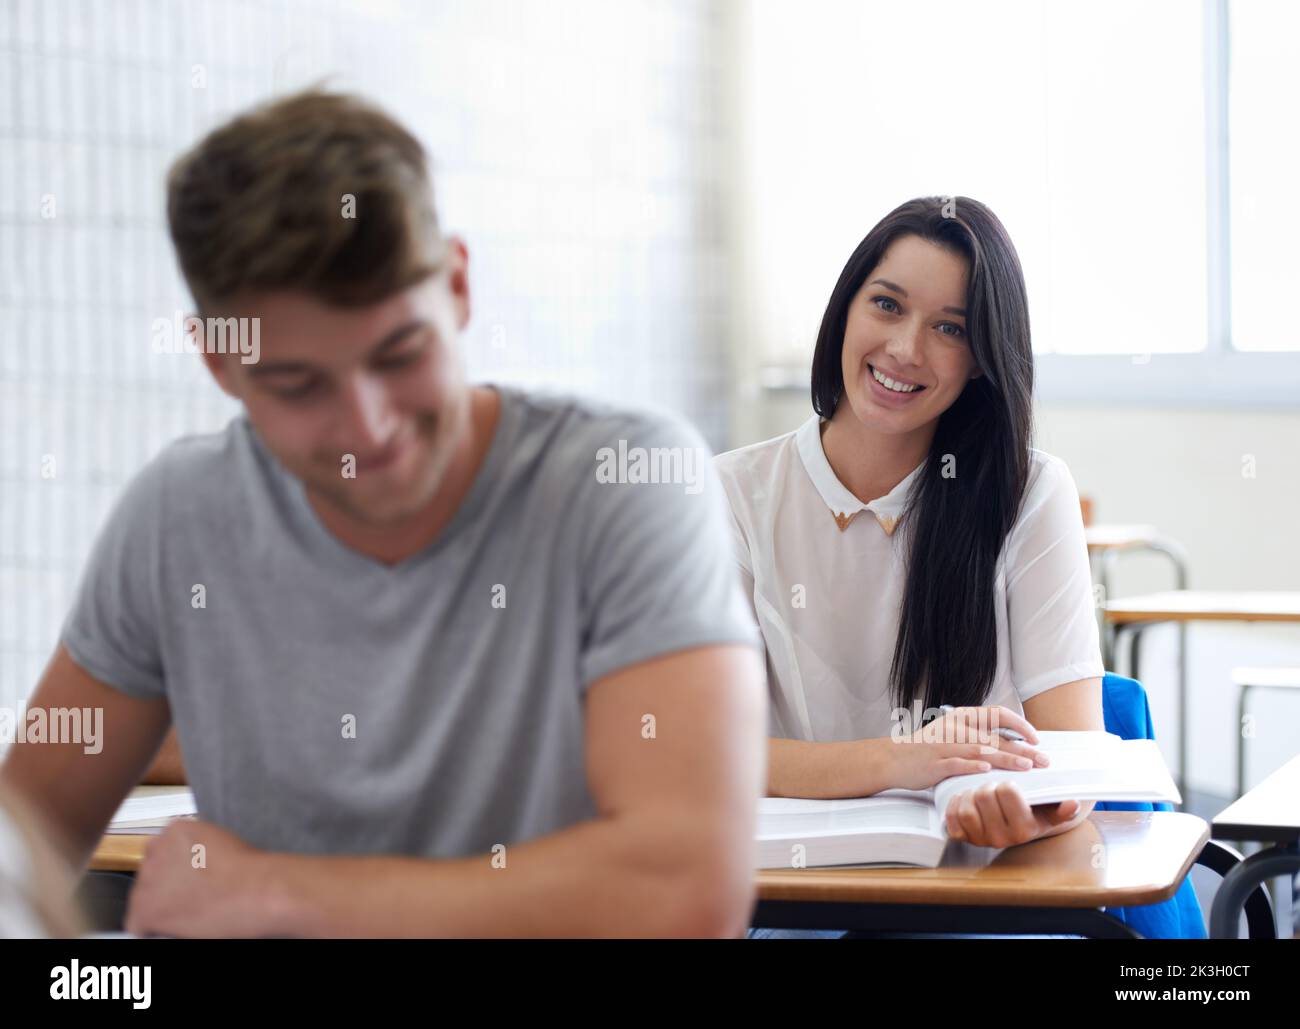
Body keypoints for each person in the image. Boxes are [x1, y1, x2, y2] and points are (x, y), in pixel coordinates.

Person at [0, 90, 766, 938]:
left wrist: (277, 894)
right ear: (222, 362)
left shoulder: (627, 482)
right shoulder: (177, 515)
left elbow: (683, 889)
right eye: (298, 385)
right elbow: (20, 835)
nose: (368, 427)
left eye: (400, 354)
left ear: (459, 285)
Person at [718, 198, 1105, 936]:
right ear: (846, 309)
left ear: (984, 356)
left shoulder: (1027, 491)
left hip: (980, 898)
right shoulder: (727, 496)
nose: (904, 347)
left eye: (949, 328)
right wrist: (909, 759)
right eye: (887, 304)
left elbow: (1077, 757)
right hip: (790, 899)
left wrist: (1016, 805)